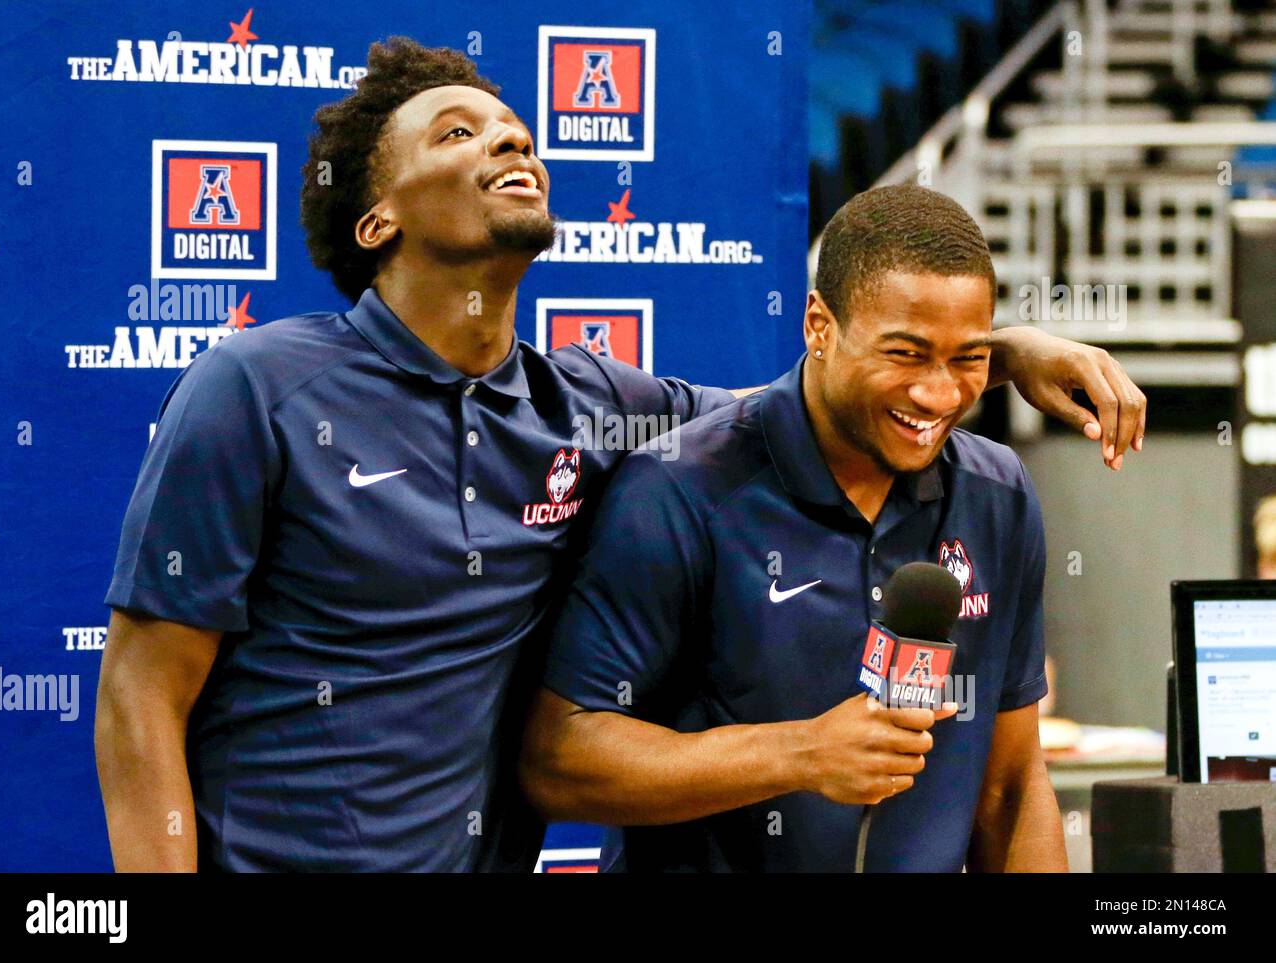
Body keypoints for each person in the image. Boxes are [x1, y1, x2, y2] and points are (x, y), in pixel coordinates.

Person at [96, 38, 1137, 872]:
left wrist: (997, 357)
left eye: (516, 132)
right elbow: (140, 697)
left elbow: (814, 401)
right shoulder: (258, 387)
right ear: (375, 217)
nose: (511, 146)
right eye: (460, 134)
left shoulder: (588, 401)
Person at [521, 186, 1070, 872]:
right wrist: (802, 753)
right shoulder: (681, 491)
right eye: (904, 353)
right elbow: (558, 758)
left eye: (968, 359)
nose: (940, 394)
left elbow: (1011, 785)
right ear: (818, 325)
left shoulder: (998, 493)